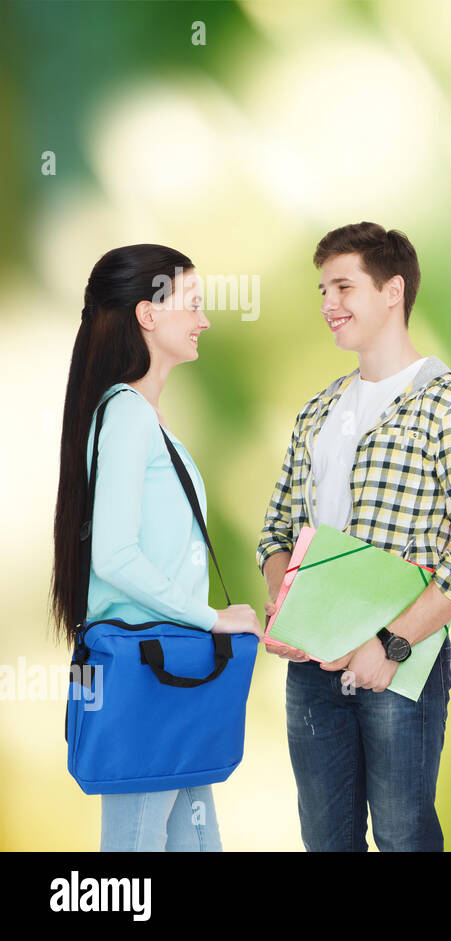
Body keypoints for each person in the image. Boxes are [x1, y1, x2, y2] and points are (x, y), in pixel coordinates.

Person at [255, 222, 451, 852]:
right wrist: (286, 610)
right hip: (312, 666)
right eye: (322, 290)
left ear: (393, 291)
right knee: (324, 837)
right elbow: (276, 530)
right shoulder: (319, 410)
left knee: (403, 833)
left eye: (343, 286)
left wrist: (389, 645)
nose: (328, 305)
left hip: (400, 662)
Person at [50, 244, 263, 851]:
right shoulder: (128, 416)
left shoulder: (143, 415)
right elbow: (113, 556)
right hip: (151, 673)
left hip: (170, 675)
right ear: (148, 314)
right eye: (193, 305)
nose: (204, 320)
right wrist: (213, 617)